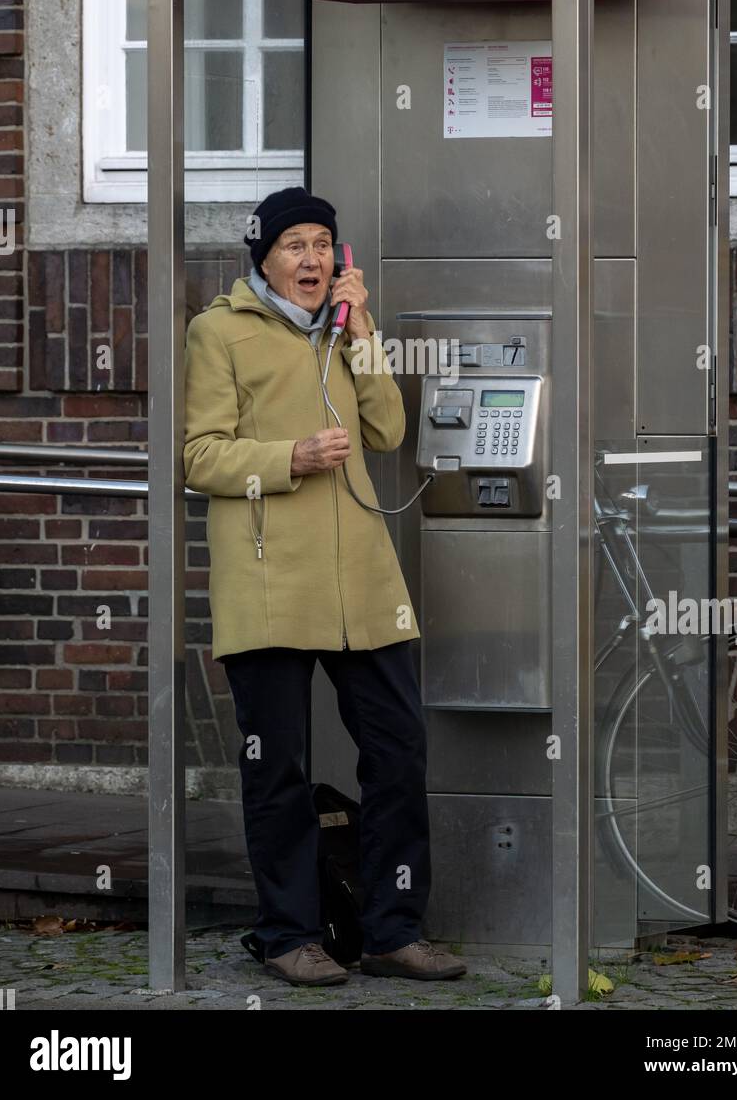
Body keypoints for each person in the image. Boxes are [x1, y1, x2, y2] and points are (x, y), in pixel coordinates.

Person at [183, 186, 466, 988]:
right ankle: (288, 935)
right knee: (276, 767)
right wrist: (289, 458)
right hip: (271, 583)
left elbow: (387, 430)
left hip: (364, 584)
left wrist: (362, 328)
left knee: (398, 753)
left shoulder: (346, 331)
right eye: (293, 245)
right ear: (262, 256)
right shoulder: (219, 331)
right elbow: (197, 455)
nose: (310, 260)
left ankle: (391, 929)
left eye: (322, 245)